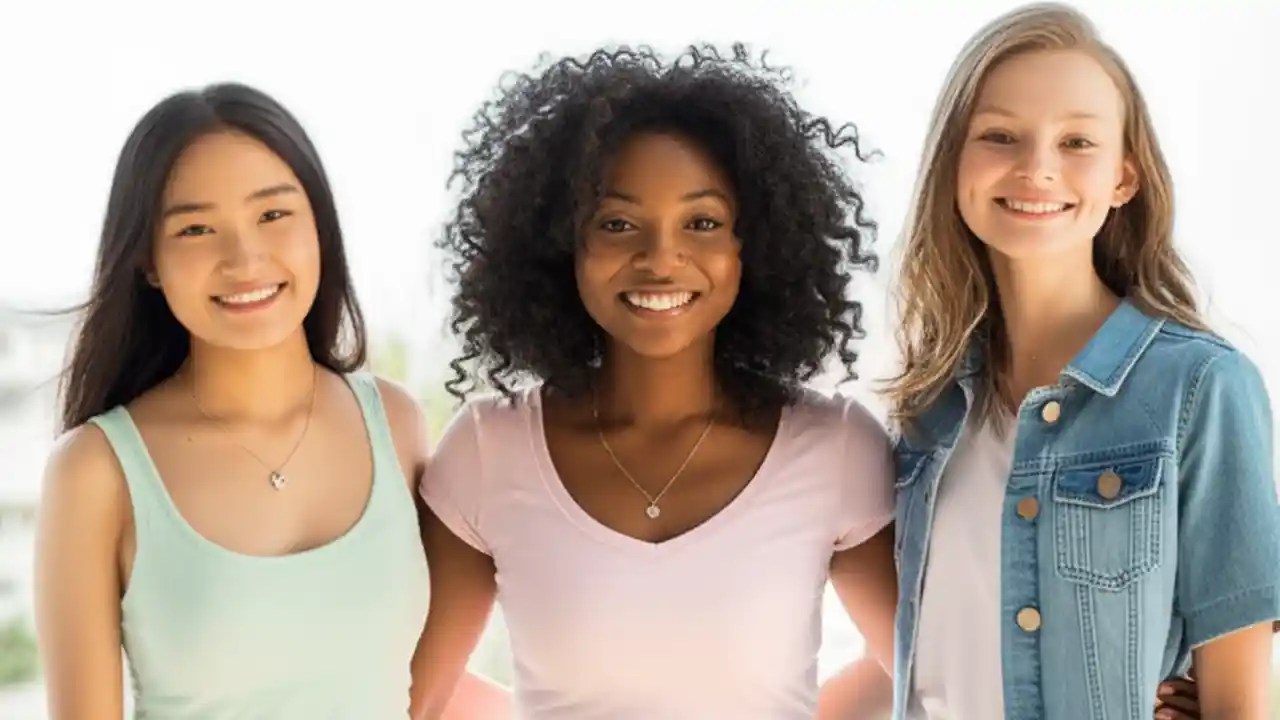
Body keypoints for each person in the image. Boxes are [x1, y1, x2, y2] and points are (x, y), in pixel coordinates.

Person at [414, 45, 899, 719]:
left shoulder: (835, 446)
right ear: (562, 245)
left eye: (702, 223)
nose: (660, 259)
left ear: (751, 244)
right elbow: (417, 696)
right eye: (617, 224)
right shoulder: (489, 450)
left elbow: (919, 668)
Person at [33, 82, 502, 719]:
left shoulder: (396, 424)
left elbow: (426, 689)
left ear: (320, 228)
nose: (243, 257)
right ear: (148, 261)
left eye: (273, 215)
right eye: (196, 228)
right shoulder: (95, 470)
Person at [886, 4, 1279, 718]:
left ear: (1124, 178)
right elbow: (920, 666)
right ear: (955, 164)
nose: (1037, 168)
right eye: (1000, 136)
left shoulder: (1201, 390)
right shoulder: (927, 407)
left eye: (1076, 141)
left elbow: (1242, 703)